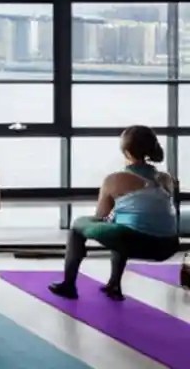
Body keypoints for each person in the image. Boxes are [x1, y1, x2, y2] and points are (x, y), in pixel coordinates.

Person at [49, 126, 179, 301]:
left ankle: (68, 285)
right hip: (168, 245)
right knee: (121, 227)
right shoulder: (166, 179)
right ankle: (114, 284)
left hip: (137, 242)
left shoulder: (114, 179)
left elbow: (100, 216)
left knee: (79, 226)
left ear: (126, 152)